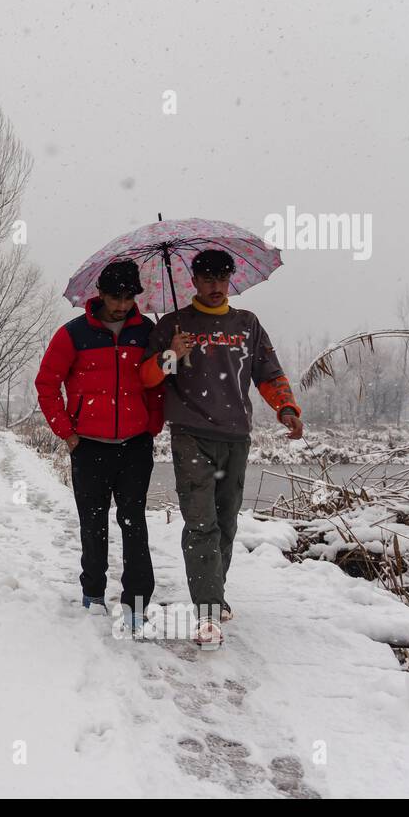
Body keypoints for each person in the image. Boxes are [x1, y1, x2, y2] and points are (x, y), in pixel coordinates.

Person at [139, 248, 304, 649]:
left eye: (222, 279)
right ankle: (208, 611)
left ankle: (215, 592)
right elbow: (148, 378)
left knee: (227, 523)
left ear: (231, 279)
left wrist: (286, 408)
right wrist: (171, 354)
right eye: (207, 279)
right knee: (201, 524)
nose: (215, 287)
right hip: (190, 435)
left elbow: (268, 372)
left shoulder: (246, 324)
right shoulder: (174, 325)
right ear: (192, 281)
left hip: (236, 436)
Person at [35, 259, 165, 635]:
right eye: (114, 296)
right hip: (88, 447)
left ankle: (137, 604)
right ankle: (93, 593)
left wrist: (152, 425)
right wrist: (67, 433)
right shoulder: (72, 334)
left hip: (135, 446)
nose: (122, 304)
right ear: (100, 294)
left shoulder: (148, 333)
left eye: (128, 297)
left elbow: (157, 384)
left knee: (133, 523)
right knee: (93, 524)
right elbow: (46, 384)